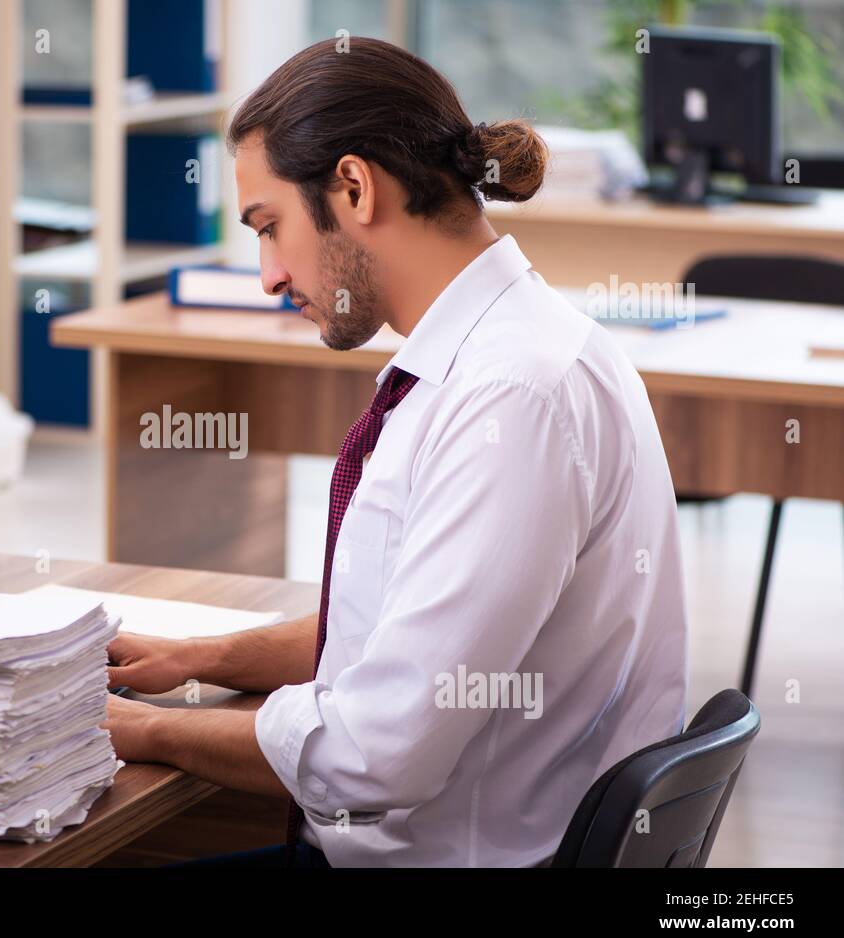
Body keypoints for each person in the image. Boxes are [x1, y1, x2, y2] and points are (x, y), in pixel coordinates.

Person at [102, 37, 688, 867]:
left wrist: (145, 730)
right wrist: (202, 659)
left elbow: (376, 752)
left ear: (353, 186)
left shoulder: (510, 398)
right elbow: (400, 630)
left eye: (270, 228)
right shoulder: (503, 354)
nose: (267, 275)